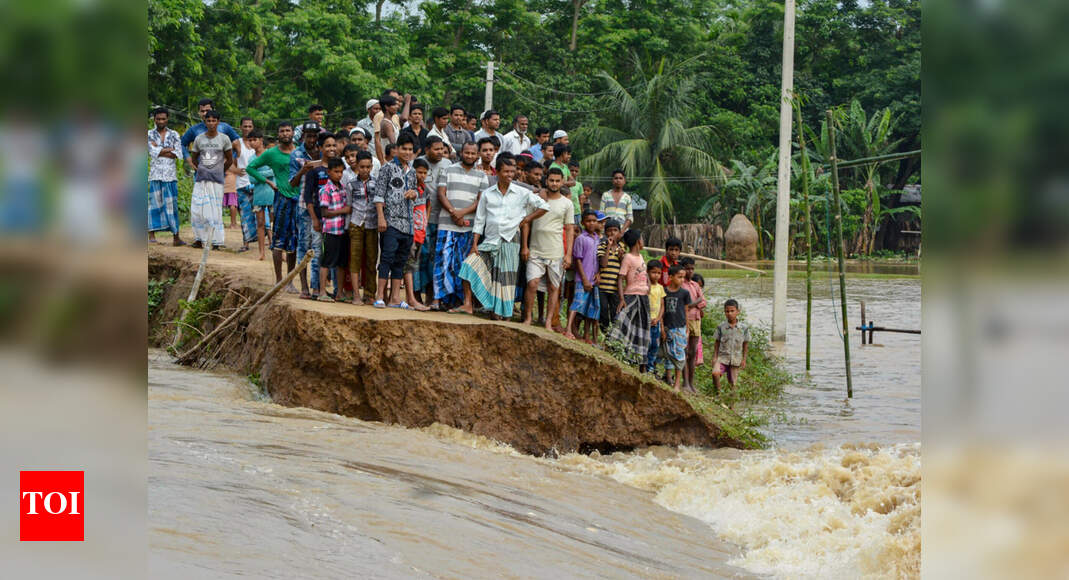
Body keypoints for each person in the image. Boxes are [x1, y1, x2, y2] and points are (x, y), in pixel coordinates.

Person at [454, 153, 549, 319]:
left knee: (505, 279)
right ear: (497, 172)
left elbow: (544, 206)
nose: (510, 175)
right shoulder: (487, 194)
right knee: (469, 266)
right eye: (506, 171)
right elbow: (480, 220)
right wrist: (474, 244)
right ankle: (469, 304)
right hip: (490, 240)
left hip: (511, 239)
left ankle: (501, 313)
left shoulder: (522, 192)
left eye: (512, 172)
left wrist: (527, 218)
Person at [246, 122, 300, 291]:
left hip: (298, 199)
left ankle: (290, 282)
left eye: (288, 130)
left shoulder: (299, 151)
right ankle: (279, 280)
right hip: (281, 198)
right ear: (278, 134)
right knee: (278, 240)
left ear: (292, 133)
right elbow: (250, 167)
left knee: (294, 241)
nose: (285, 133)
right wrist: (268, 181)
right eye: (282, 131)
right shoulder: (271, 153)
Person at [434, 141, 487, 310]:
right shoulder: (447, 170)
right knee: (442, 261)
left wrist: (461, 213)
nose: (469, 156)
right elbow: (441, 194)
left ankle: (459, 302)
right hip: (446, 223)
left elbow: (481, 201)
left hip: (468, 226)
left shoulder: (482, 176)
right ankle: (438, 299)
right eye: (467, 153)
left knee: (462, 264)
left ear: (477, 155)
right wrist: (453, 212)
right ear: (461, 152)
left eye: (473, 153)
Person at [521, 166, 573, 330]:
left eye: (558, 181)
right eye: (551, 180)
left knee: (553, 287)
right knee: (532, 283)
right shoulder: (536, 199)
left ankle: (549, 322)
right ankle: (528, 318)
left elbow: (570, 228)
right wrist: (524, 246)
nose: (554, 183)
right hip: (535, 250)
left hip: (556, 251)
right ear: (546, 180)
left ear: (562, 182)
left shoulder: (567, 204)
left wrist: (568, 254)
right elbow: (526, 222)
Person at [372, 133, 419, 309]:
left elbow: (415, 192)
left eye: (410, 150)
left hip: (408, 224)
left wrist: (414, 193)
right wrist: (381, 218)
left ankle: (395, 298)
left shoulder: (413, 171)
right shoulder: (387, 168)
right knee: (387, 257)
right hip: (391, 221)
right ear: (397, 149)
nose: (407, 152)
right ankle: (379, 296)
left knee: (401, 261)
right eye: (404, 149)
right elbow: (379, 195)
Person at [299, 131, 339, 299]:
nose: (331, 148)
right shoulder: (315, 171)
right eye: (328, 146)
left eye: (334, 145)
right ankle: (314, 289)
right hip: (316, 217)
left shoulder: (338, 168)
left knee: (329, 254)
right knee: (315, 251)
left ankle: (326, 288)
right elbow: (308, 196)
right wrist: (314, 219)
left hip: (334, 220)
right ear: (321, 148)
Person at [289, 122, 325, 298]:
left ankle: (316, 287)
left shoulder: (323, 152)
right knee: (303, 246)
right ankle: (304, 287)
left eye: (314, 136)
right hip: (303, 205)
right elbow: (292, 183)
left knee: (318, 248)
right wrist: (303, 170)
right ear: (303, 136)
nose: (312, 139)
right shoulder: (296, 154)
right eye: (309, 136)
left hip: (321, 206)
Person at [188, 110, 233, 250]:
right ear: (205, 122)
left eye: (214, 120)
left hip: (217, 181)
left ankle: (215, 241)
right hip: (201, 179)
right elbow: (194, 158)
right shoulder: (199, 139)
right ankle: (199, 238)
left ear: (218, 122)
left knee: (214, 211)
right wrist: (202, 169)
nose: (211, 123)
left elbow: (230, 159)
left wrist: (220, 170)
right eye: (209, 121)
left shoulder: (224, 138)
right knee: (197, 210)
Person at [416, 136, 452, 309]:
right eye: (436, 149)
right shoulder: (418, 163)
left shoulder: (447, 165)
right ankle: (416, 295)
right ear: (427, 149)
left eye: (442, 149)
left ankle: (432, 296)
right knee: (419, 256)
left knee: (435, 258)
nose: (440, 152)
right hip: (421, 218)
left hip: (441, 219)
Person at [609, 229, 651, 370]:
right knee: (624, 322)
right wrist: (622, 298)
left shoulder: (641, 257)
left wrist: (648, 286)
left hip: (643, 297)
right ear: (638, 241)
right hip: (632, 296)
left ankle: (639, 362)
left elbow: (644, 274)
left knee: (642, 327)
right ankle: (615, 349)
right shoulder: (628, 257)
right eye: (642, 239)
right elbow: (620, 279)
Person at [147, 107, 185, 246]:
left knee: (172, 205)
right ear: (154, 119)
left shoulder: (174, 134)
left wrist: (160, 150)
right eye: (158, 119)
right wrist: (169, 149)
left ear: (167, 119)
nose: (161, 121)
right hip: (155, 175)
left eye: (163, 119)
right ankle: (151, 235)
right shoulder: (149, 134)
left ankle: (176, 237)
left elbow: (179, 153)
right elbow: (151, 151)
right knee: (154, 205)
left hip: (170, 175)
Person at [346, 150, 378, 305]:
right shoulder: (351, 184)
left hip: (372, 224)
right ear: (357, 166)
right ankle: (356, 294)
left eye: (368, 167)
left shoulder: (377, 183)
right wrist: (348, 226)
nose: (365, 170)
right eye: (362, 167)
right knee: (355, 260)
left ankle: (370, 293)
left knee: (372, 260)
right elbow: (349, 206)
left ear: (371, 167)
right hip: (356, 224)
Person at [317, 158, 350, 302]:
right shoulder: (326, 190)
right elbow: (325, 212)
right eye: (336, 172)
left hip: (342, 230)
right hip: (331, 230)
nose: (339, 174)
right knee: (327, 261)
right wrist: (344, 210)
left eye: (341, 172)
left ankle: (339, 292)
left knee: (341, 263)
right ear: (329, 172)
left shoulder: (343, 188)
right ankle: (322, 292)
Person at [565, 210, 601, 342]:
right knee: (577, 302)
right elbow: (578, 260)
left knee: (590, 307)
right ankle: (568, 328)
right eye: (588, 221)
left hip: (593, 280)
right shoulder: (581, 239)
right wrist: (585, 279)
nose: (591, 223)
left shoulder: (599, 239)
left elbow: (599, 259)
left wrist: (598, 274)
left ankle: (586, 335)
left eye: (594, 221)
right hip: (582, 279)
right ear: (583, 223)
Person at [402, 157, 431, 311]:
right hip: (410, 233)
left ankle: (411, 297)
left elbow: (428, 206)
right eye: (419, 172)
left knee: (413, 265)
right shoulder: (409, 188)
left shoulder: (425, 189)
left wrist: (425, 224)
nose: (422, 175)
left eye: (425, 173)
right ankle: (411, 298)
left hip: (421, 233)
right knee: (408, 265)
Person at [662, 264, 697, 391]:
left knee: (679, 354)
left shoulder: (684, 293)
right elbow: (662, 310)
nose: (682, 280)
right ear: (670, 277)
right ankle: (668, 378)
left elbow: (686, 311)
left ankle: (677, 382)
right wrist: (662, 327)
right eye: (679, 277)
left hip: (680, 327)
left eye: (683, 277)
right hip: (667, 326)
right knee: (668, 353)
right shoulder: (664, 291)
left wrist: (687, 328)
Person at [180, 98, 241, 170]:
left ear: (213, 110)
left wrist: (231, 160)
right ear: (199, 113)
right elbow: (182, 144)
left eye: (207, 110)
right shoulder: (195, 130)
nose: (205, 113)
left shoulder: (224, 127)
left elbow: (238, 142)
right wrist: (189, 159)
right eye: (202, 111)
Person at [711, 298, 750, 396]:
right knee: (715, 373)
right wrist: (715, 357)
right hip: (722, 358)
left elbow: (745, 344)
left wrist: (744, 359)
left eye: (732, 311)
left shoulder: (744, 328)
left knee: (733, 384)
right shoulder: (721, 327)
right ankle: (718, 395)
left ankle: (731, 406)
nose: (730, 313)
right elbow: (717, 343)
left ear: (738, 312)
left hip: (736, 359)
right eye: (727, 311)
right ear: (724, 312)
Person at [680, 257, 707, 392]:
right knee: (684, 351)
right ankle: (685, 383)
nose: (690, 271)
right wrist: (695, 303)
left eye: (692, 269)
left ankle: (691, 383)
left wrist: (693, 304)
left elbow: (703, 302)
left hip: (696, 320)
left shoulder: (695, 285)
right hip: (685, 320)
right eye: (687, 268)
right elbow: (686, 304)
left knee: (692, 351)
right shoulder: (681, 284)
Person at [247, 130, 275, 261]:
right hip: (258, 195)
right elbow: (251, 179)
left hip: (273, 193)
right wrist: (265, 175)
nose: (252, 143)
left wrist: (258, 174)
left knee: (276, 223)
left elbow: (274, 171)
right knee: (260, 223)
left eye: (255, 140)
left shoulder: (270, 155)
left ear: (261, 140)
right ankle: (261, 252)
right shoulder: (251, 158)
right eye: (250, 140)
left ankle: (279, 251)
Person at [234, 127, 262, 252]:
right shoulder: (236, 143)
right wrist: (235, 171)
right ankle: (246, 243)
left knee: (263, 215)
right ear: (240, 127)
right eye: (245, 126)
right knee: (245, 215)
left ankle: (270, 242)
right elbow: (227, 157)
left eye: (250, 126)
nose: (247, 128)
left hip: (258, 186)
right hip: (242, 184)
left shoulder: (262, 151)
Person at [597, 219, 625, 337]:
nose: (612, 233)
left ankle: (612, 338)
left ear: (619, 233)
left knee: (615, 313)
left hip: (615, 289)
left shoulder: (622, 247)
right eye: (609, 231)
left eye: (615, 230)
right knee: (603, 313)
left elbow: (624, 267)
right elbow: (603, 263)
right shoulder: (602, 245)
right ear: (605, 233)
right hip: (602, 287)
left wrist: (621, 257)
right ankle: (604, 334)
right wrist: (608, 246)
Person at [646, 260, 666, 375]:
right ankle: (643, 366)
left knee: (654, 345)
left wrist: (658, 319)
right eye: (654, 272)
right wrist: (648, 319)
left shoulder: (660, 288)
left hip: (656, 322)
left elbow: (662, 305)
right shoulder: (645, 287)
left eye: (659, 273)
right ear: (648, 272)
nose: (656, 275)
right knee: (646, 344)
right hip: (647, 321)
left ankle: (650, 368)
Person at [374, 94, 401, 164]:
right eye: (394, 105)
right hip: (392, 161)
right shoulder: (387, 124)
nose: (397, 107)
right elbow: (394, 145)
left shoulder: (391, 121)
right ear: (386, 107)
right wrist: (398, 163)